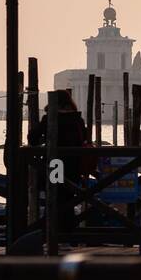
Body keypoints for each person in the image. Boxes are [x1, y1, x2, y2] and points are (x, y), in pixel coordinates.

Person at [34, 88, 88, 236]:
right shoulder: (78, 119)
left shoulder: (49, 118)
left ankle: (52, 232)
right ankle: (68, 232)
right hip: (74, 165)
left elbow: (32, 138)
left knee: (54, 197)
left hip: (55, 164)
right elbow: (84, 138)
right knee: (68, 199)